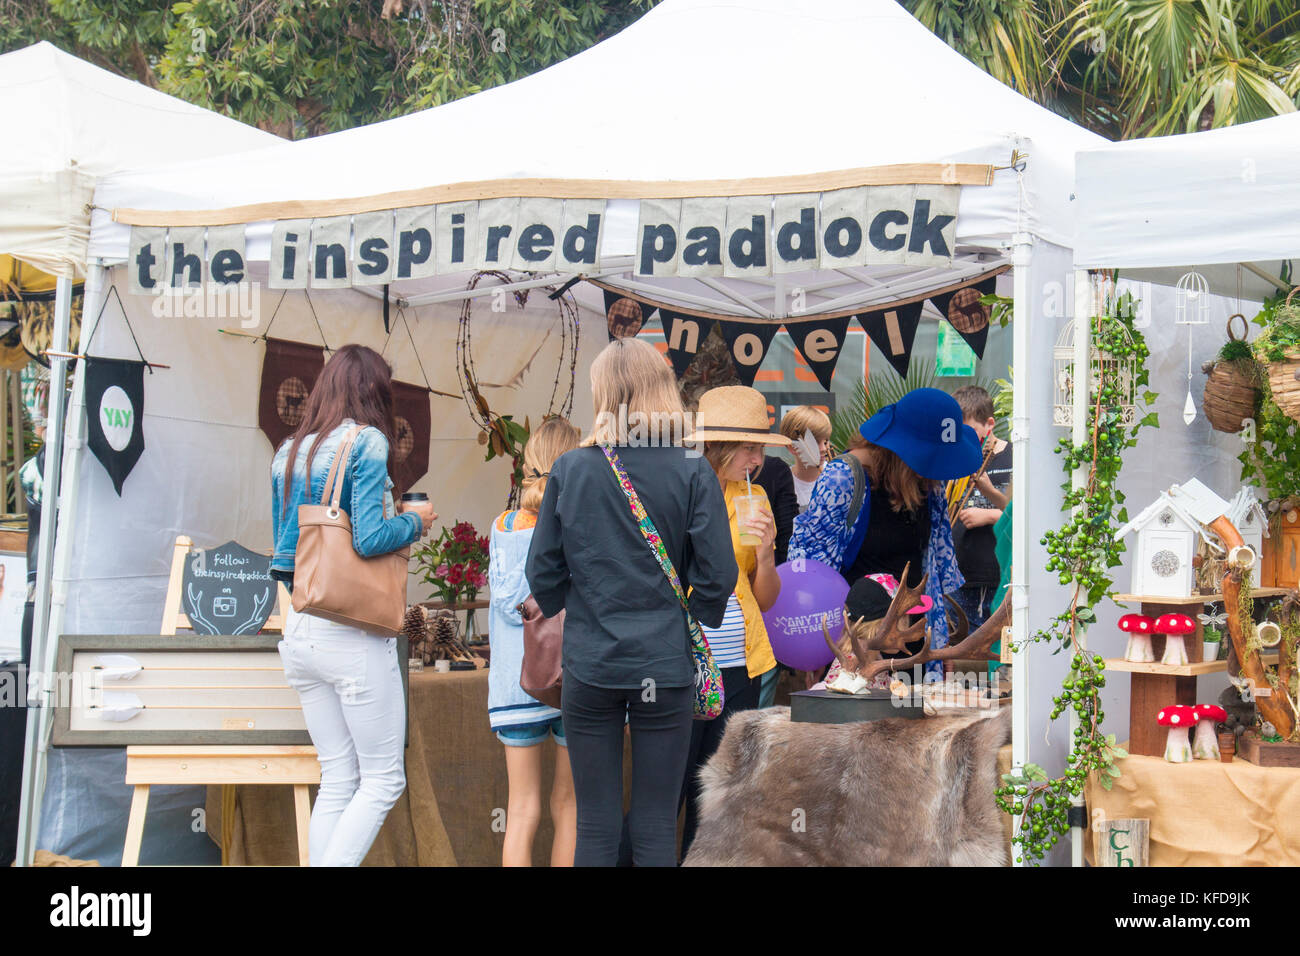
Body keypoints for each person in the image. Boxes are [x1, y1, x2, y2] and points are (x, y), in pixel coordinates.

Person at [525, 337, 737, 867]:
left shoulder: (571, 469)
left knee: (594, 822)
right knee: (656, 821)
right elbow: (719, 574)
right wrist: (691, 610)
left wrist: (571, 601)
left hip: (592, 662)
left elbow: (541, 572)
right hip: (663, 664)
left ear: (603, 395)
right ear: (661, 391)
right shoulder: (692, 468)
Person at [270, 344, 436, 867]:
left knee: (338, 775)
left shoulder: (289, 448)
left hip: (298, 627)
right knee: (384, 779)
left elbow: (284, 552)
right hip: (350, 631)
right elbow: (368, 539)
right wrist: (417, 521)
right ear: (373, 392)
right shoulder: (365, 443)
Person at [789, 388, 981, 679]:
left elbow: (930, 572)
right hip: (858, 646)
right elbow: (813, 571)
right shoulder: (844, 478)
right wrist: (816, 647)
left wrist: (939, 642)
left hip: (912, 642)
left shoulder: (927, 484)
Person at [678, 385, 789, 860]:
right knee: (675, 783)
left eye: (761, 447)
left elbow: (765, 599)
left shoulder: (757, 497)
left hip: (740, 662)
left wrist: (765, 557)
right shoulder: (680, 490)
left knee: (721, 790)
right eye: (749, 446)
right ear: (719, 444)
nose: (757, 458)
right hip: (685, 658)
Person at [487, 416, 581, 867]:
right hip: (569, 682)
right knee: (570, 807)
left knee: (520, 811)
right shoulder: (577, 524)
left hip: (513, 684)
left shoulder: (503, 526)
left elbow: (508, 605)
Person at [948, 386, 1012, 630]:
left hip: (994, 572)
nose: (962, 438)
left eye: (970, 431)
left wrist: (991, 511)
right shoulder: (955, 457)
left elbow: (1020, 513)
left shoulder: (1012, 456)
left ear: (990, 424)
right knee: (956, 650)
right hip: (958, 573)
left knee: (990, 647)